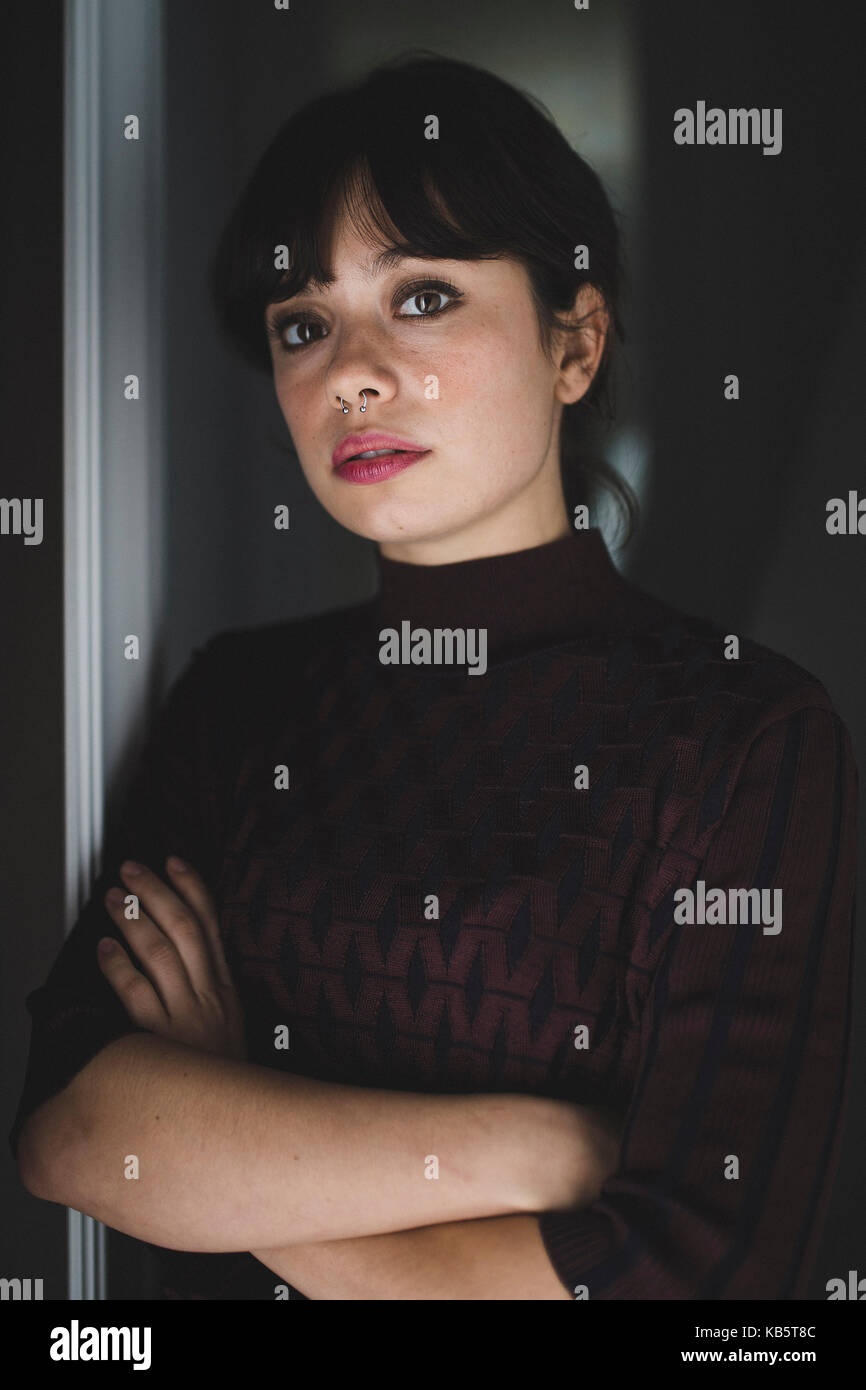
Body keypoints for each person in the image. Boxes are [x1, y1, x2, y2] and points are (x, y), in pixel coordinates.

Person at [12, 53, 857, 1301]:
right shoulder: (240, 703)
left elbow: (684, 1280)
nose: (348, 368)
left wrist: (240, 1132)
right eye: (303, 323)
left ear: (574, 344)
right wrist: (535, 1149)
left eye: (420, 298)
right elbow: (74, 1132)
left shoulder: (741, 739)